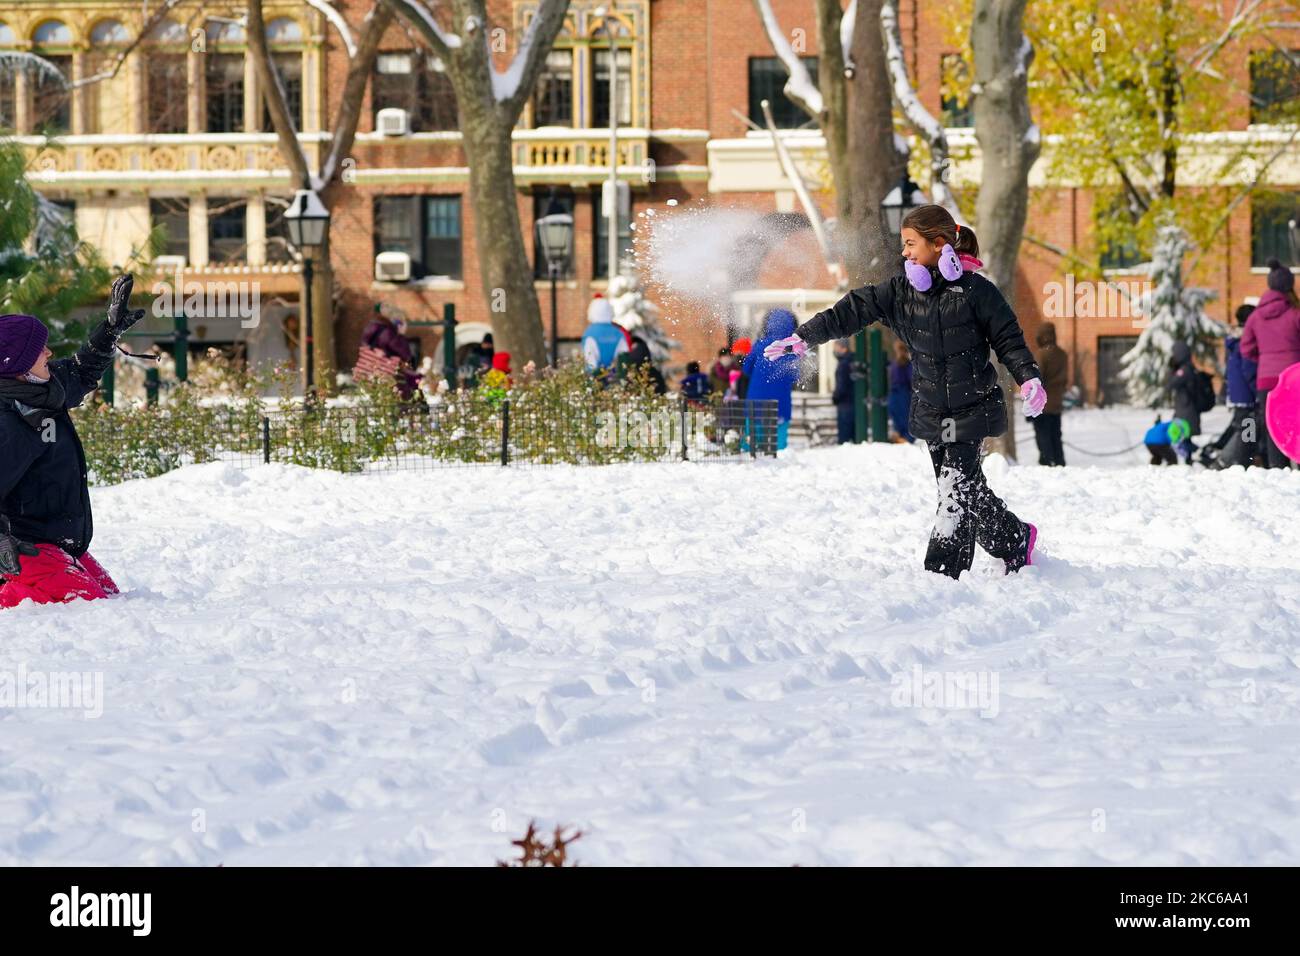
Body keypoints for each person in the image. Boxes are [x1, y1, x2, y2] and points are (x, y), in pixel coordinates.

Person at [763, 205, 1043, 579]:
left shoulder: (977, 292)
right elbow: (851, 311)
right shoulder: (901, 293)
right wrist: (804, 337)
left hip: (972, 407)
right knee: (965, 487)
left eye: (911, 244)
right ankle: (1014, 538)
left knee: (954, 490)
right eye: (903, 245)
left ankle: (942, 576)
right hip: (932, 408)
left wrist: (1029, 377)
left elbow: (1009, 339)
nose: (905, 252)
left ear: (938, 244)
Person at [1, 275, 146, 608]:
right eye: (40, 350)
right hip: (20, 545)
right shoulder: (7, 421)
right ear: (19, 365)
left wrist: (107, 333)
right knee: (91, 609)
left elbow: (80, 372)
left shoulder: (43, 389)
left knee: (110, 599)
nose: (49, 353)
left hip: (53, 538)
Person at [1240, 259, 1300, 468]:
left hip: (1266, 381)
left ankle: (1277, 471)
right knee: (1297, 424)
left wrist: (1265, 359)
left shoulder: (1255, 317)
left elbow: (1245, 348)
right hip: (1294, 380)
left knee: (1274, 428)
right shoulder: (1295, 313)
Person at [1201, 304, 1259, 469]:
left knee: (1246, 429)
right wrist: (1256, 389)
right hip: (1246, 394)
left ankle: (1240, 462)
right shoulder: (1246, 340)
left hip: (1237, 393)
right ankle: (1233, 463)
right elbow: (1248, 368)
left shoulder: (1234, 339)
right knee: (1248, 431)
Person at [744, 310, 803, 452]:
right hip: (780, 403)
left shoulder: (759, 345)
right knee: (778, 442)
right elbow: (796, 376)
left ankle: (750, 463)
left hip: (755, 402)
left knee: (752, 441)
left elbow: (746, 368)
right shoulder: (792, 350)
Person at [357, 306, 422, 402]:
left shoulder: (375, 328)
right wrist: (401, 334)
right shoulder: (389, 333)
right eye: (402, 322)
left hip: (373, 371)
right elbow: (405, 354)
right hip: (389, 372)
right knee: (413, 382)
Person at [1030, 322, 1068, 466]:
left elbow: (1036, 379)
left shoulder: (1041, 354)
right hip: (1056, 402)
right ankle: (1059, 462)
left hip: (1042, 404)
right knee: (1056, 435)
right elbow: (1064, 381)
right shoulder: (1062, 354)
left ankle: (1047, 462)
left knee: (1043, 436)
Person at [1165, 341, 1202, 465]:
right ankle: (1191, 460)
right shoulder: (1188, 368)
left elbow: (1170, 385)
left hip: (1186, 411)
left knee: (1182, 438)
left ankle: (1200, 454)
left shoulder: (1184, 370)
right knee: (1185, 439)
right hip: (1186, 410)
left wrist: (1171, 369)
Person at [888, 340, 914, 443]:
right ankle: (899, 434)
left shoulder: (906, 363)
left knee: (904, 414)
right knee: (894, 412)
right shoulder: (895, 362)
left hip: (903, 390)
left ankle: (907, 437)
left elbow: (910, 378)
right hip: (895, 390)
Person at [830, 340, 856, 444]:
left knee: (844, 437)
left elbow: (842, 384)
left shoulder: (844, 364)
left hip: (845, 403)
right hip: (852, 401)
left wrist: (836, 397)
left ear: (843, 348)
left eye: (836, 347)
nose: (834, 350)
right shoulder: (852, 360)